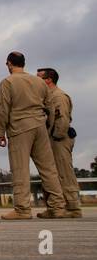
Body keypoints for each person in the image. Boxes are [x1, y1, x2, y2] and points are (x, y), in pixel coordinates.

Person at [0, 51, 67, 219]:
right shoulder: (39, 82)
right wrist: (46, 125)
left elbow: (3, 108)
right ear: (24, 63)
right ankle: (58, 207)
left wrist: (0, 132)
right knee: (49, 169)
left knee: (20, 169)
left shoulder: (8, 82)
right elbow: (49, 106)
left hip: (20, 128)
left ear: (9, 64)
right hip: (40, 126)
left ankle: (22, 209)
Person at [37, 68, 82, 218]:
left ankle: (73, 207)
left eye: (39, 78)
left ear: (48, 80)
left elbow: (62, 119)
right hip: (51, 139)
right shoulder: (48, 96)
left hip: (59, 139)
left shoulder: (59, 96)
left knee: (64, 172)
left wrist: (57, 136)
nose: (36, 81)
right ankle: (54, 207)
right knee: (53, 174)